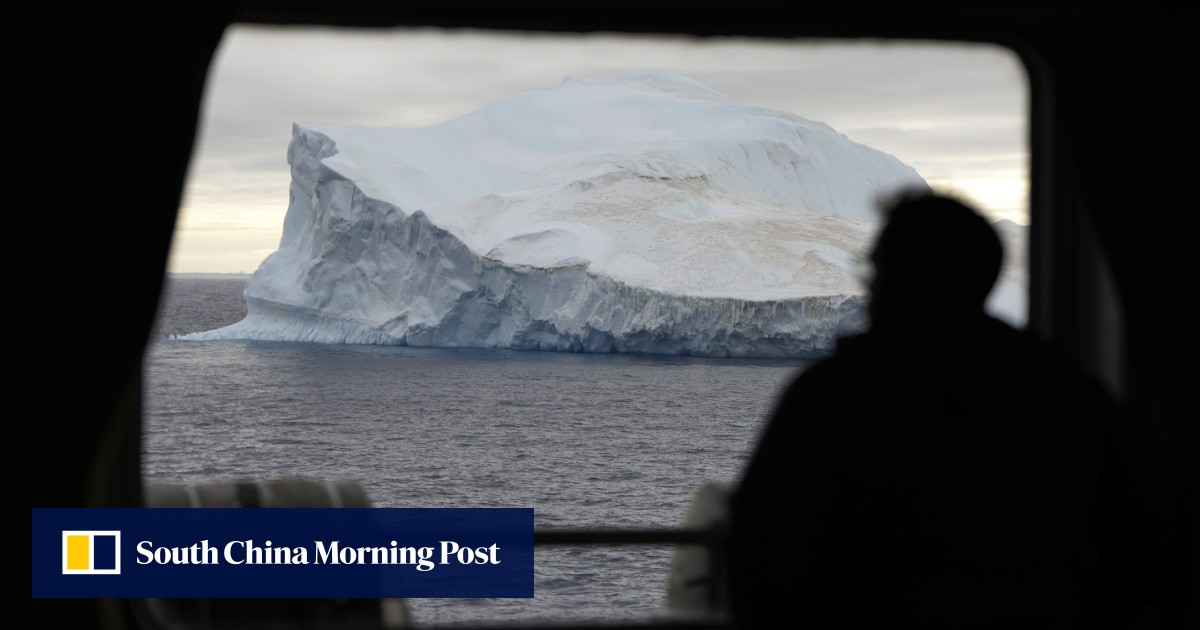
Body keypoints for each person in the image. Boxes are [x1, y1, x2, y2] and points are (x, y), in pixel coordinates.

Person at [727, 191, 1182, 629]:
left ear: (902, 278)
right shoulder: (1064, 391)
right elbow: (1150, 534)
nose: (870, 288)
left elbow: (761, 546)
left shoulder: (835, 396)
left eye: (878, 270)